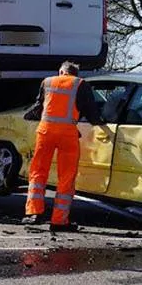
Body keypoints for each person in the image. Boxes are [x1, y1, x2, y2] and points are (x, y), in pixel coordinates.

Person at [22, 61, 105, 231]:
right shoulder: (80, 84)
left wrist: (27, 115)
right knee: (66, 176)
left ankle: (33, 214)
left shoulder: (47, 82)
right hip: (68, 134)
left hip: (45, 132)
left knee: (38, 171)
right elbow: (91, 112)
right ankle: (59, 221)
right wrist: (102, 125)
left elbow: (39, 107)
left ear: (61, 71)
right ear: (76, 74)